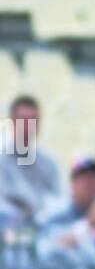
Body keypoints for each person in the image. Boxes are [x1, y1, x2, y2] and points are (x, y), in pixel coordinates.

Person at [0, 94, 63, 225]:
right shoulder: (2, 159)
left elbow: (58, 201)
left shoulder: (49, 164)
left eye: (33, 120)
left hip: (43, 227)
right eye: (23, 120)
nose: (28, 127)